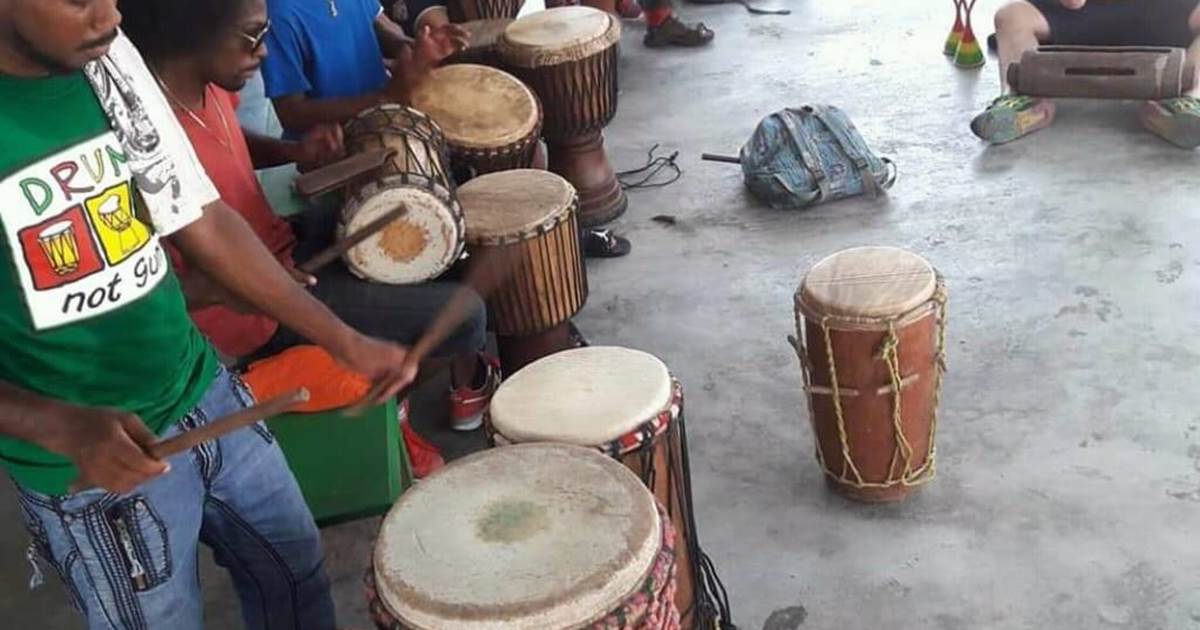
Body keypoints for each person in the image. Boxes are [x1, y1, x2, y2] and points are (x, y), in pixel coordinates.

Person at [0, 0, 435, 627]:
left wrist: (340, 339)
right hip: (90, 468)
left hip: (204, 388)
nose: (110, 13)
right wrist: (59, 426)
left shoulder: (108, 57)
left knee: (293, 570)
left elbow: (201, 218)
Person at [118, 0, 501, 477]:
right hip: (254, 312)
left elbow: (230, 137)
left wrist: (291, 151)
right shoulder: (145, 141)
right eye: (253, 37)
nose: (262, 52)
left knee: (436, 248)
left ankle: (392, 373)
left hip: (283, 248)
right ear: (194, 36)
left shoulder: (206, 84)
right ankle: (385, 406)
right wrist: (247, 289)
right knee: (466, 314)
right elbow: (170, 279)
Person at [972, 0, 1200, 148]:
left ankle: (1187, 100)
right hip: (1082, 14)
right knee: (1011, 15)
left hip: (1159, 13)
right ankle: (1018, 100)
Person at [260, 0, 466, 137]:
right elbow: (292, 115)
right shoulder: (277, 17)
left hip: (384, 118)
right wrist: (385, 98)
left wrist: (415, 47)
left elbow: (380, 25)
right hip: (333, 152)